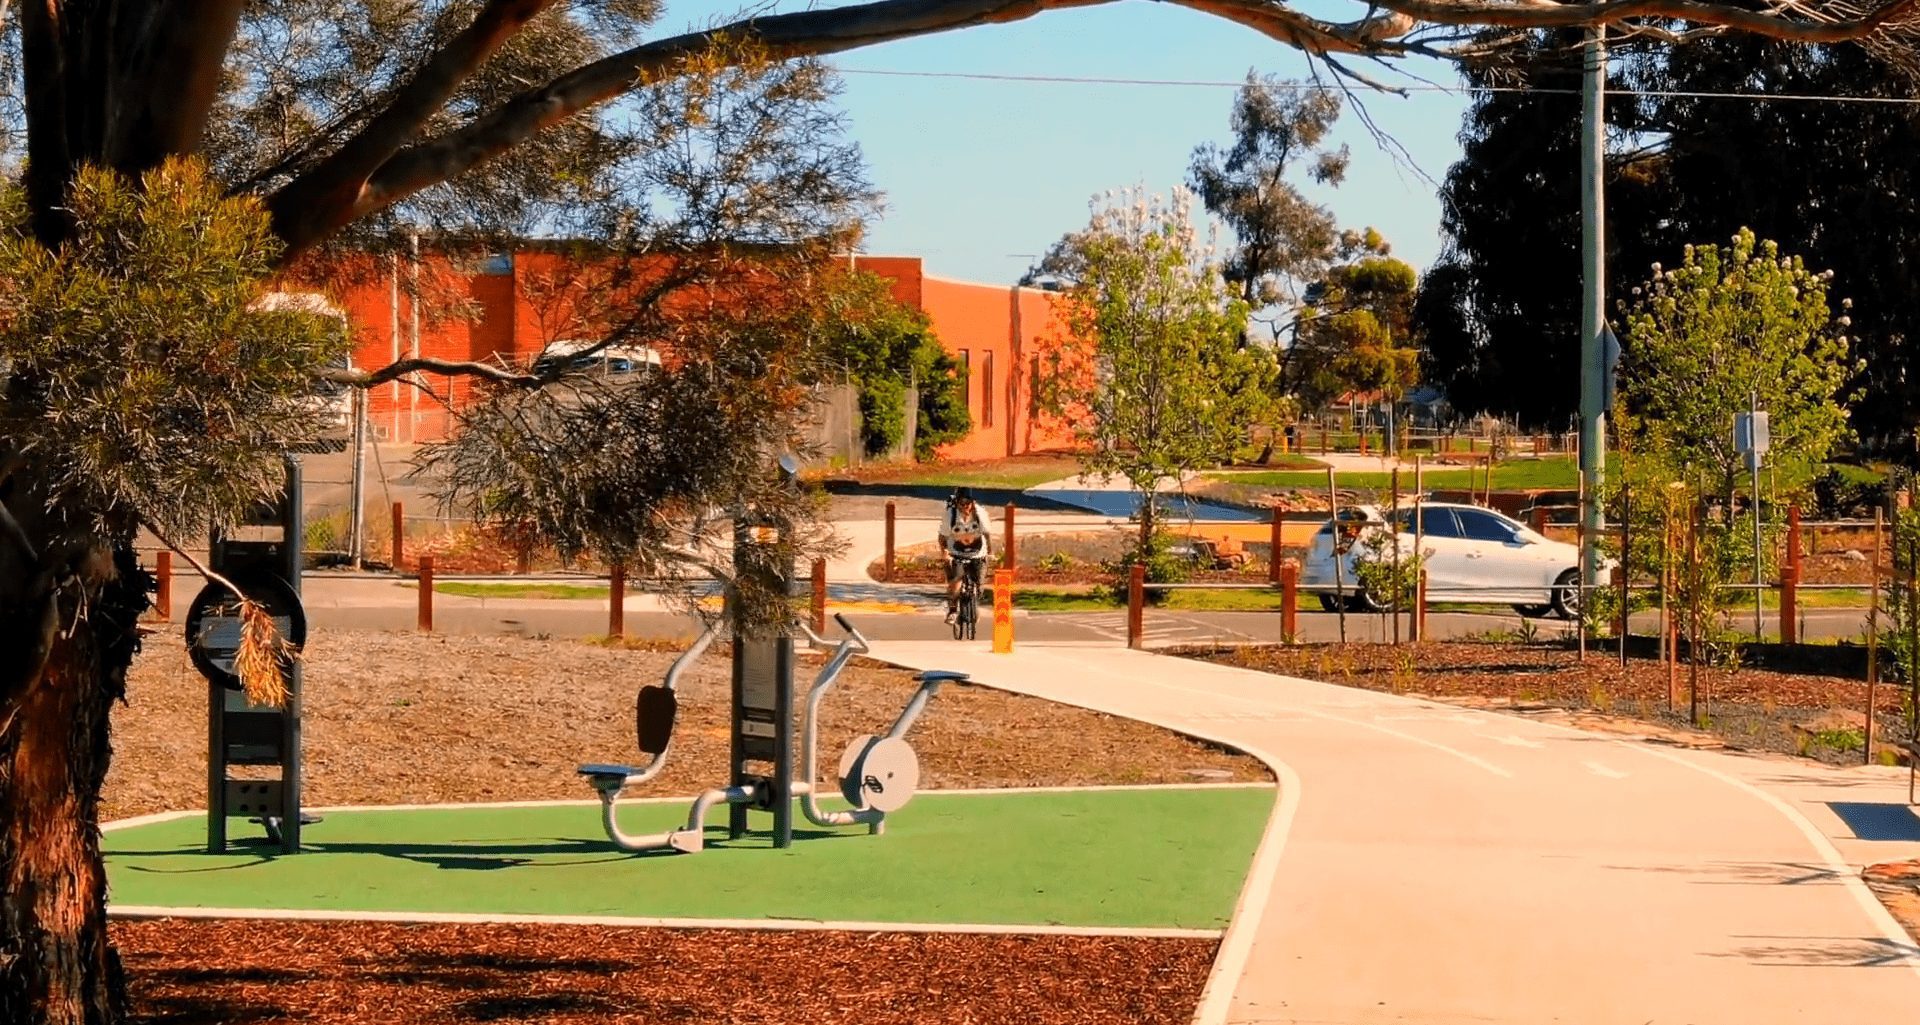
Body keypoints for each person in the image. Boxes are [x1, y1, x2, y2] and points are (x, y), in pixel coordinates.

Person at [939, 487, 992, 622]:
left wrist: (990, 552)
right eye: (961, 503)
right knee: (956, 580)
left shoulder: (980, 514)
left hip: (978, 552)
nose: (965, 507)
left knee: (979, 585)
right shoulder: (950, 515)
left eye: (967, 503)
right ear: (956, 503)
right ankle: (952, 610)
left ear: (972, 503)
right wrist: (944, 552)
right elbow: (942, 537)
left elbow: (987, 534)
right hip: (957, 553)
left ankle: (973, 606)